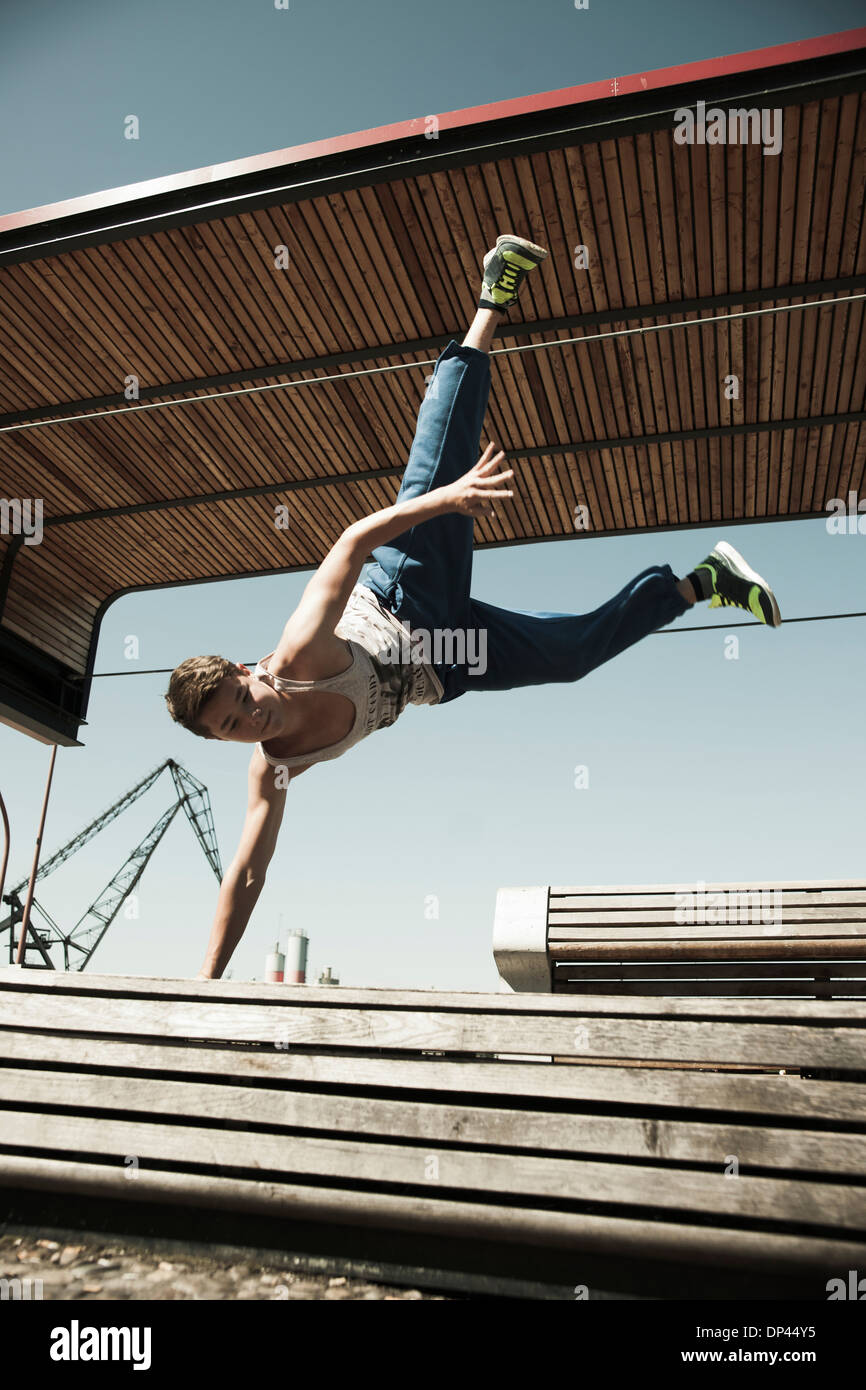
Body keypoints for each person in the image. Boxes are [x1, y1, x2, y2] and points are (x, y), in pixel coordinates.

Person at [165, 234, 781, 980]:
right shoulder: (274, 771)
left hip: (406, 594)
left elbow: (352, 543)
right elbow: (250, 872)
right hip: (443, 669)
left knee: (443, 453)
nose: (251, 718)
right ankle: (703, 582)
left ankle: (493, 295)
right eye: (231, 727)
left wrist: (446, 500)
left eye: (241, 698)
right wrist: (205, 986)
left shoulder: (294, 657)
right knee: (571, 657)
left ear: (242, 670)